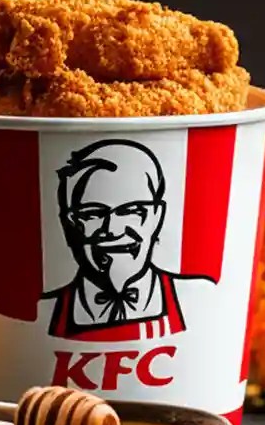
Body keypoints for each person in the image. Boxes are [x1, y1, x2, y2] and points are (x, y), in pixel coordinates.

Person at [43, 139, 202, 342]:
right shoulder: (41, 312)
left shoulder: (200, 298)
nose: (113, 230)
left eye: (132, 211)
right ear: (69, 224)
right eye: (93, 214)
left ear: (157, 216)